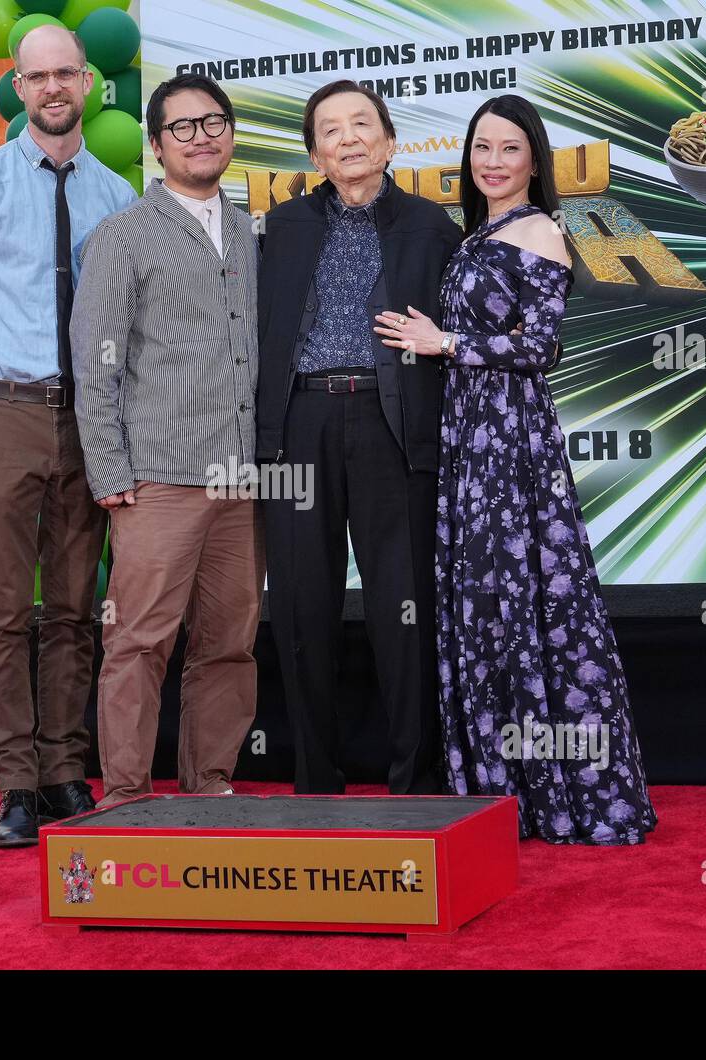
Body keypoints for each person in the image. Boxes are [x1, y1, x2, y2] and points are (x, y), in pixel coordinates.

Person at [374, 94, 658, 844]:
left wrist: (446, 344)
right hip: (471, 436)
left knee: (520, 602)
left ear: (535, 157)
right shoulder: (484, 232)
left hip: (509, 441)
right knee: (486, 606)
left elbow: (538, 347)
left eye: (508, 148)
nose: (491, 161)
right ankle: (504, 791)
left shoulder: (538, 231)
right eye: (480, 148)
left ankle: (560, 795)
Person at [0, 24, 136, 848]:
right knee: (6, 609)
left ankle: (62, 771)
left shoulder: (114, 199)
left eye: (65, 75)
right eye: (36, 76)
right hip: (4, 411)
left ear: (88, 84)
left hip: (89, 420)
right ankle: (14, 783)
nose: (52, 89)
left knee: (76, 607)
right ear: (18, 85)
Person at [255, 81, 462, 795]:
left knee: (402, 607)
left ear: (391, 142)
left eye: (362, 124)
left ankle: (416, 780)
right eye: (330, 130)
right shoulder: (281, 229)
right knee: (301, 607)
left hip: (392, 423)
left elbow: (454, 342)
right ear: (314, 152)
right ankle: (315, 778)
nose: (347, 138)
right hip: (299, 426)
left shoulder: (432, 228)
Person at [71, 74, 263, 808]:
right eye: (182, 127)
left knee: (229, 643)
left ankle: (210, 783)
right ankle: (124, 793)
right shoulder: (122, 236)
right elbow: (96, 361)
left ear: (230, 132)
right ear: (155, 146)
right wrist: (109, 468)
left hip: (242, 481)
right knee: (138, 642)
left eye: (213, 121)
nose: (202, 136)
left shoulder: (249, 231)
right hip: (157, 477)